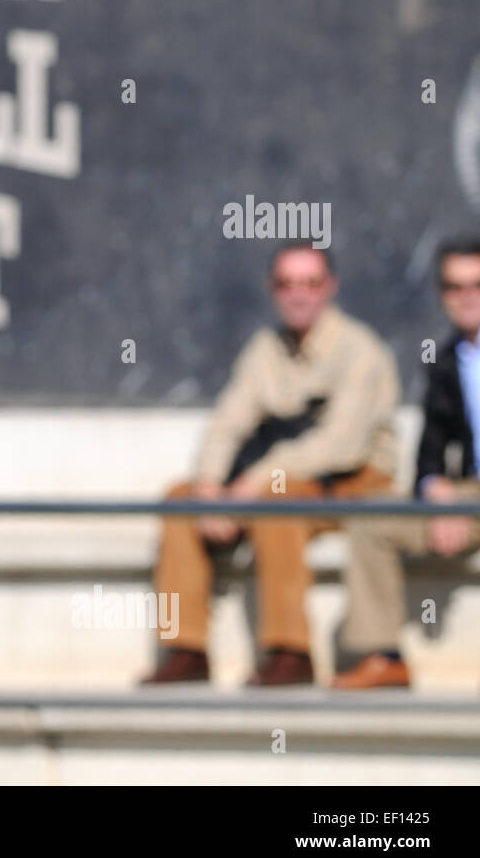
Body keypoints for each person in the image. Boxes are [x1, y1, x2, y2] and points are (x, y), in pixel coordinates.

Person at [140, 241, 400, 686]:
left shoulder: (361, 350)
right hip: (280, 479)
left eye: (311, 283)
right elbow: (228, 422)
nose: (298, 294)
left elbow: (340, 446)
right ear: (272, 289)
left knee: (276, 501)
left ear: (330, 288)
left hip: (354, 482)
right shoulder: (264, 348)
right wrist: (208, 487)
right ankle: (186, 649)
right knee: (180, 500)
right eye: (287, 283)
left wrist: (252, 483)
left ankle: (290, 652)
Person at [333, 235, 480, 689]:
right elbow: (430, 449)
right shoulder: (443, 361)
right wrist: (438, 494)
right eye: (455, 287)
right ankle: (385, 656)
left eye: (477, 284)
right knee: (373, 519)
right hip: (469, 495)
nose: (467, 296)